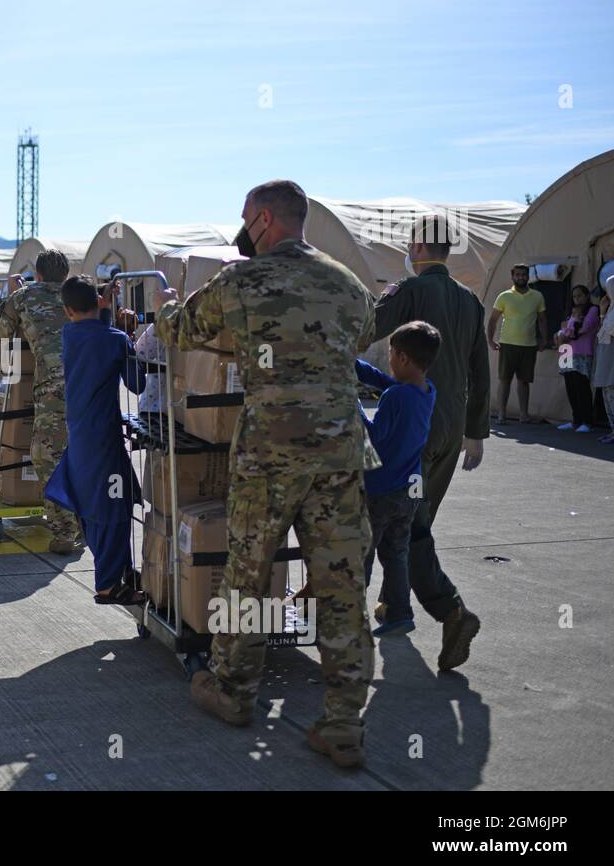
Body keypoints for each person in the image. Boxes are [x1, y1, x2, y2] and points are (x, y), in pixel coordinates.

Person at [153, 179, 376, 769]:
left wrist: (160, 305)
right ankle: (344, 723)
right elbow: (361, 336)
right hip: (340, 452)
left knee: (247, 574)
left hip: (270, 453)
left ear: (264, 219)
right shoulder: (348, 282)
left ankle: (232, 691)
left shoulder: (240, 281)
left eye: (245, 217)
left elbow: (179, 330)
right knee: (341, 586)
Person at [373, 214, 487, 672]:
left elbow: (368, 328)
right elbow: (482, 368)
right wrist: (475, 431)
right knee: (416, 516)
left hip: (412, 428)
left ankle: (451, 610)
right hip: (449, 426)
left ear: (419, 246)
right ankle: (391, 602)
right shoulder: (470, 299)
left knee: (409, 526)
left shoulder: (411, 290)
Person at [45, 277, 146, 594]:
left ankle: (121, 572)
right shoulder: (115, 340)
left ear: (67, 310)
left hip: (81, 436)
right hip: (103, 438)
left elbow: (91, 331)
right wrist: (131, 343)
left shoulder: (69, 334)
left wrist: (103, 307)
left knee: (96, 503)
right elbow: (138, 384)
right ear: (97, 303)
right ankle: (107, 583)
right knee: (112, 508)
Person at [0, 248, 84, 554]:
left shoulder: (26, 296)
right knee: (83, 456)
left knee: (47, 457)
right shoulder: (80, 293)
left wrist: (13, 293)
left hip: (55, 389)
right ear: (65, 274)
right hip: (94, 386)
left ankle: (66, 531)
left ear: (38, 274)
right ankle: (88, 523)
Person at [354, 322, 440, 638]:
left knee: (361, 555)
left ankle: (350, 619)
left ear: (402, 357)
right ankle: (400, 614)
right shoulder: (426, 391)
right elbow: (388, 384)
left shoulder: (394, 399)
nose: (388, 359)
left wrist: (354, 404)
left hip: (378, 492)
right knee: (396, 554)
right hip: (408, 492)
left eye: (390, 353)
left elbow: (372, 437)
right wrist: (355, 367)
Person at [488, 264, 548, 422]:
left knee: (524, 381)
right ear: (512, 276)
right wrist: (490, 340)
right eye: (518, 275)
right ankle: (501, 414)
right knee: (505, 380)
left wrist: (544, 339)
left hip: (529, 345)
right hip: (507, 344)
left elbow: (542, 319)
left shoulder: (537, 296)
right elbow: (493, 320)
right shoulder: (504, 296)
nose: (521, 277)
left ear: (528, 276)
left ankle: (523, 414)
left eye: (524, 274)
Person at [554, 284, 601, 432]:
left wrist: (567, 329)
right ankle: (576, 420)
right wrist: (566, 329)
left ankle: (587, 421)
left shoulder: (593, 310)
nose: (577, 299)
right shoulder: (572, 311)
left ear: (587, 296)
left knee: (582, 386)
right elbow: (563, 329)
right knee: (570, 386)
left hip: (581, 352)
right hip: (566, 351)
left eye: (580, 295)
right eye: (574, 296)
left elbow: (582, 329)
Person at [595, 276, 614, 445]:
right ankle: (613, 430)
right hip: (607, 354)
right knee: (607, 392)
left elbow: (609, 329)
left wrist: (602, 312)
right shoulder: (612, 308)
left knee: (612, 392)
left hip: (612, 356)